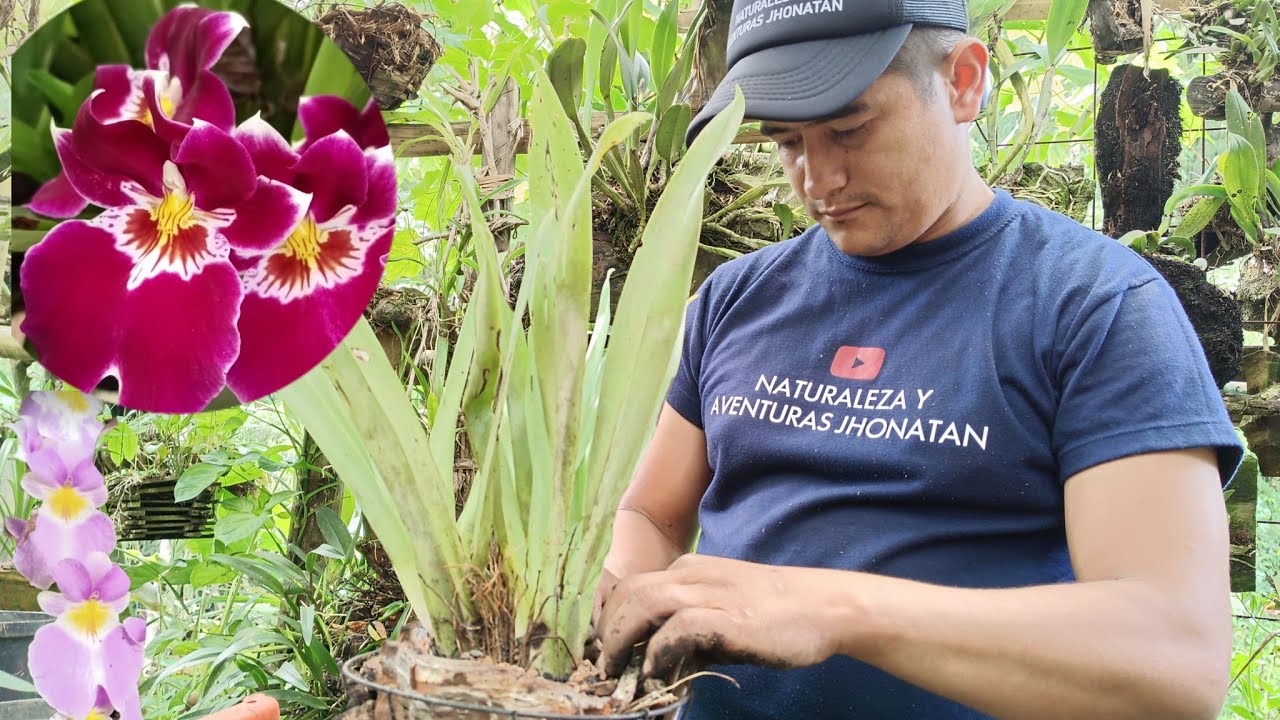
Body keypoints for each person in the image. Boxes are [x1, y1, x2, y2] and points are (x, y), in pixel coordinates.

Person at [589, 1, 1245, 718]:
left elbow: (1176, 662)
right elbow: (653, 515)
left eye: (849, 130)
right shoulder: (737, 297)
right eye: (786, 141)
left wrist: (834, 611)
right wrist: (608, 626)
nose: (817, 180)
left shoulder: (1095, 305)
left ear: (963, 82)